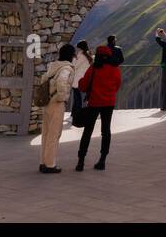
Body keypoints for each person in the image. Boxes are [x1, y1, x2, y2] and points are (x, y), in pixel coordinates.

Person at [75, 46, 122, 170]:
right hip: (109, 103)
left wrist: (80, 81)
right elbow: (117, 85)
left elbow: (83, 86)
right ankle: (102, 160)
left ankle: (81, 161)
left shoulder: (94, 68)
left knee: (88, 131)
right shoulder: (116, 69)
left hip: (94, 103)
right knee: (106, 130)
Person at [40, 44, 75, 173]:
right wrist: (62, 96)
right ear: (71, 55)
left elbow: (43, 78)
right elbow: (62, 81)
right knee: (54, 134)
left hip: (47, 102)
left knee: (46, 132)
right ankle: (50, 164)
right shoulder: (67, 68)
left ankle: (43, 162)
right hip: (56, 103)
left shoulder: (53, 66)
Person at [68, 40, 92, 125]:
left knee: (77, 99)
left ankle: (75, 116)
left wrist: (74, 58)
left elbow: (74, 66)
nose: (77, 49)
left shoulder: (81, 56)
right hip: (85, 80)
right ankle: (73, 115)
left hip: (78, 80)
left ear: (80, 48)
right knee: (82, 99)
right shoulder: (88, 55)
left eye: (77, 48)